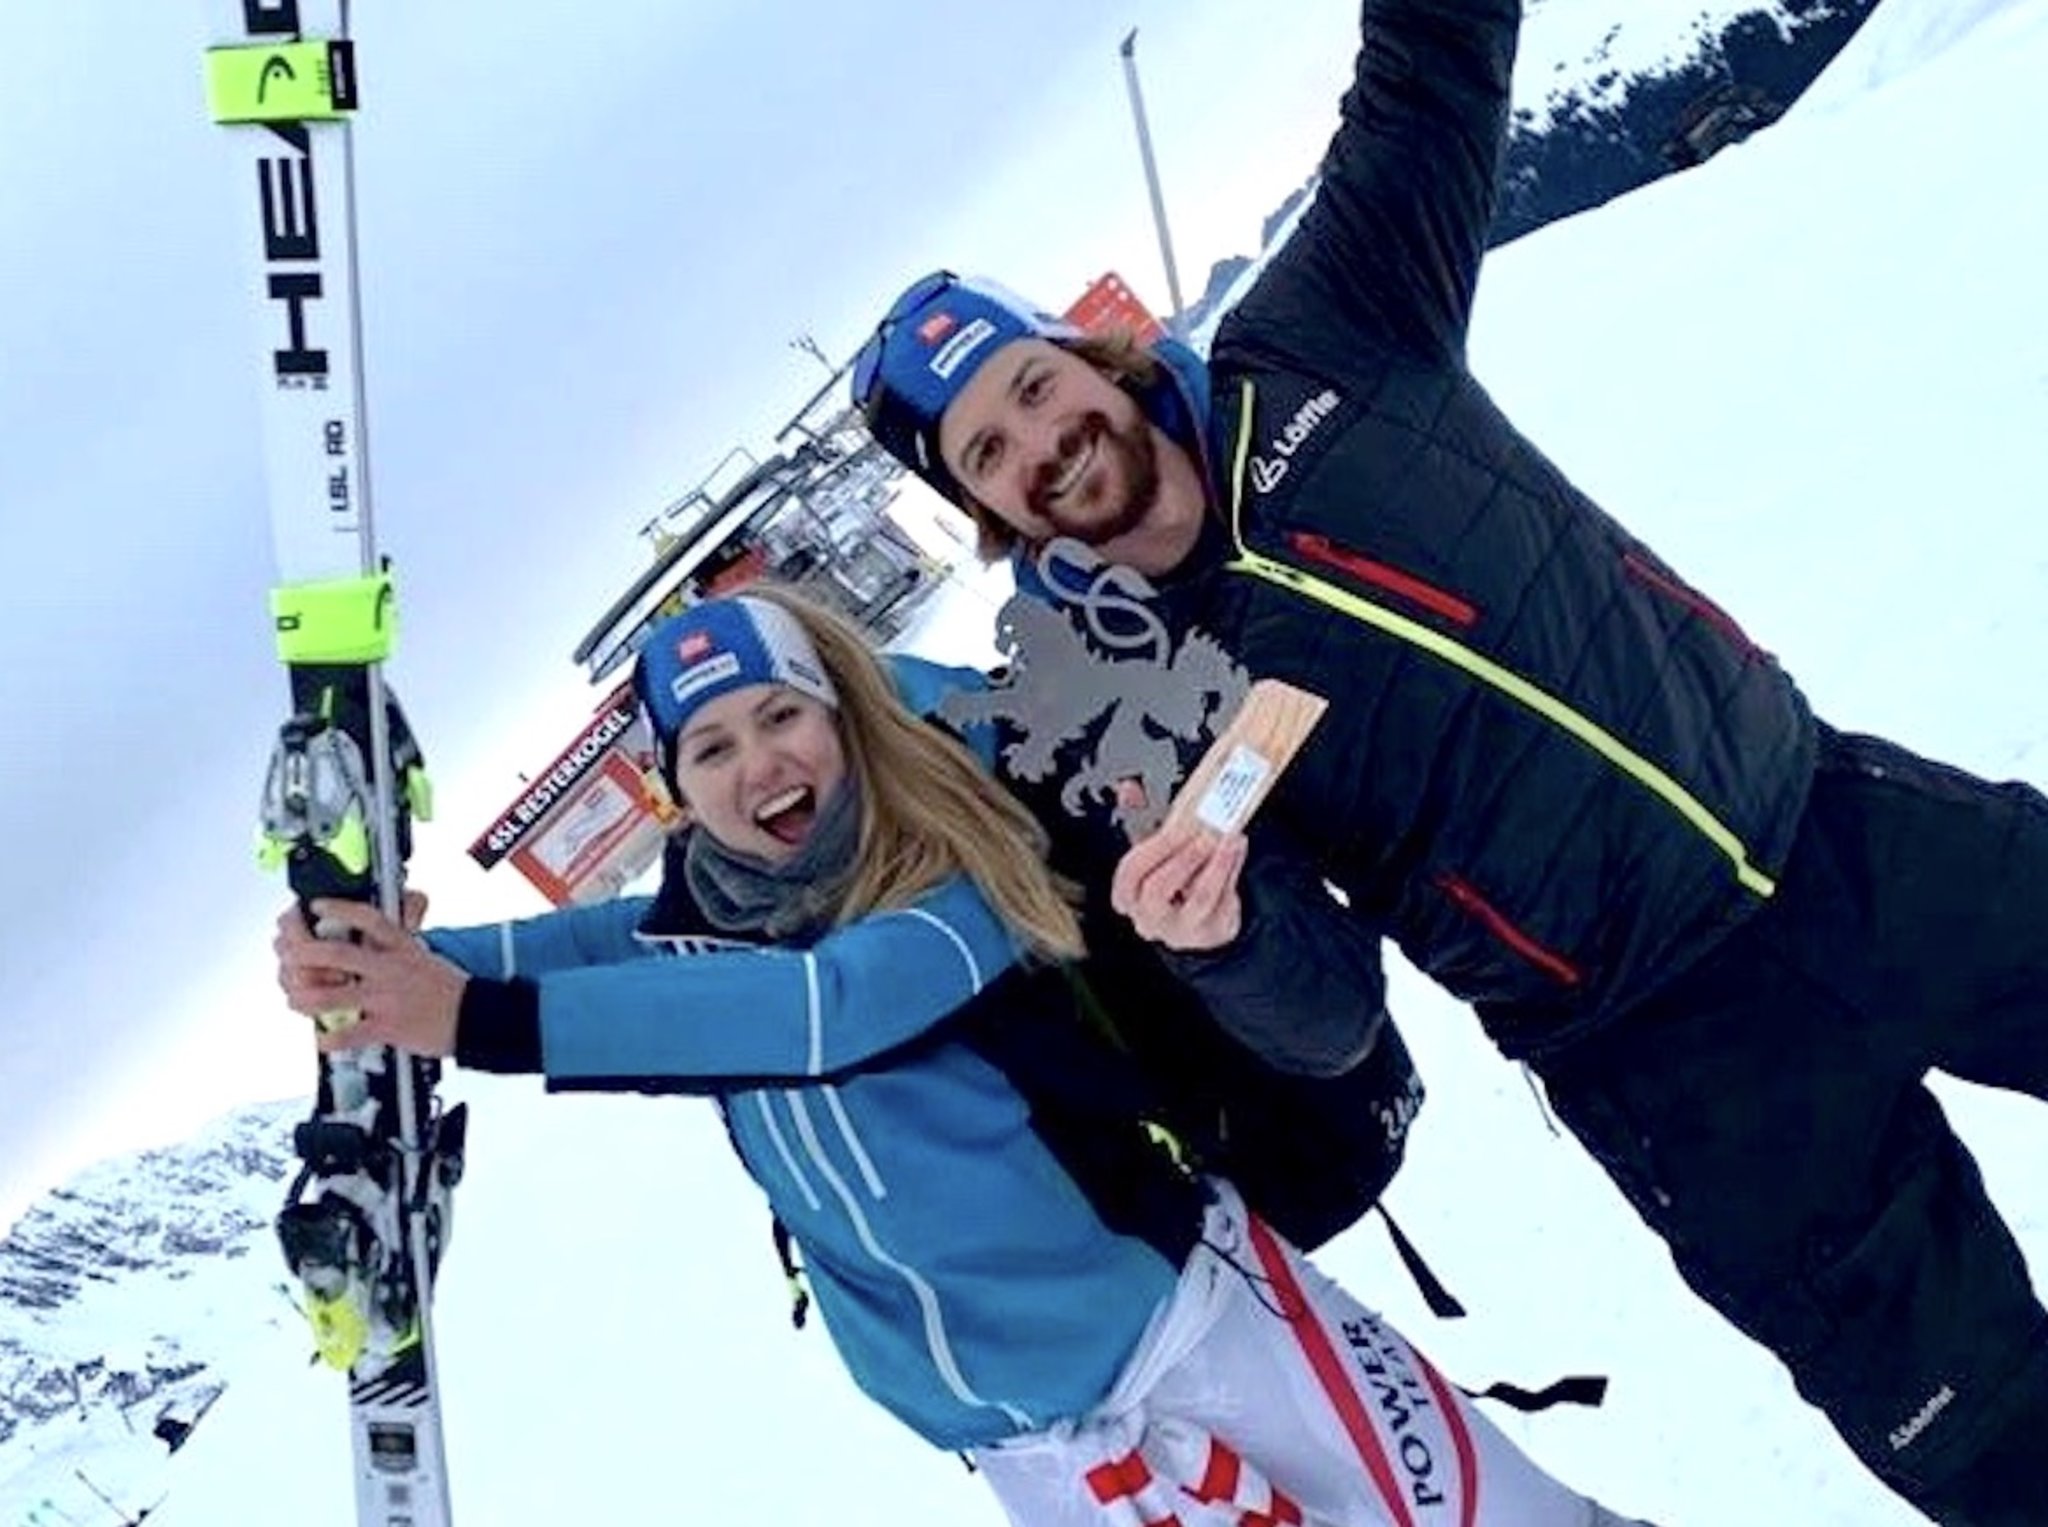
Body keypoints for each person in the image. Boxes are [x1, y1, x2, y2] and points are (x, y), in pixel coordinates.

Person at [847, 4, 2048, 1523]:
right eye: (985, 454)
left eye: (1026, 387)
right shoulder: (1124, 693)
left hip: (1843, 830)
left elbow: (1434, 68)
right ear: (988, 511)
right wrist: (1217, 941)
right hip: (1670, 1057)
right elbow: (1331, 1012)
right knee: (1996, 1443)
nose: (1041, 443)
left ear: (1080, 347)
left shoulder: (1324, 335)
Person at [274, 589, 1654, 1527]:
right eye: (712, 745)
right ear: (674, 792)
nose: (760, 763)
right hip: (1031, 1457)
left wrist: (462, 1019)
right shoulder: (689, 924)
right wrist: (393, 959)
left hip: (1204, 1336)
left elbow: (824, 1015)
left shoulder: (966, 876)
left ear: (843, 718)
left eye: (783, 717)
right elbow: (551, 957)